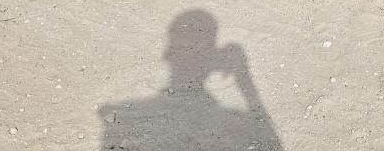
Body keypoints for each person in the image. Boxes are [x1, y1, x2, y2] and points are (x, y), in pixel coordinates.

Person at [99, 10, 282, 150]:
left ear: (168, 53)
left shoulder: (125, 115)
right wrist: (244, 77)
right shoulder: (238, 121)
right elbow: (274, 142)